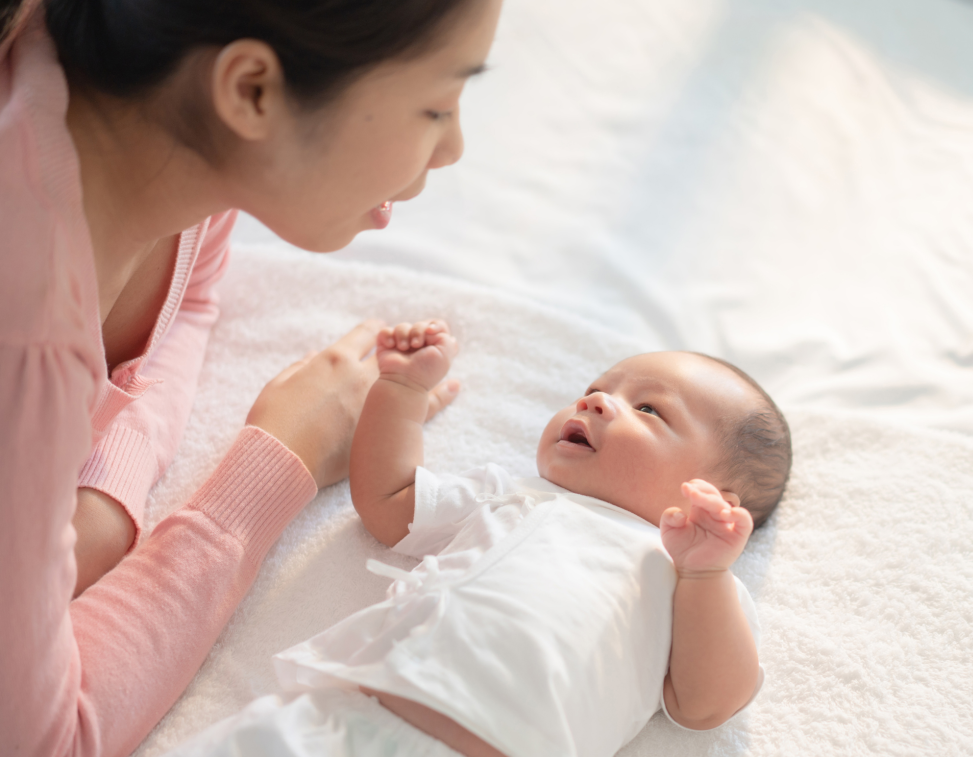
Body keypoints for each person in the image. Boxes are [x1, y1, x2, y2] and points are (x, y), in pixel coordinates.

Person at [0, 0, 503, 753]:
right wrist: (275, 459)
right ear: (252, 91)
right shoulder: (28, 328)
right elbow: (42, 737)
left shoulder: (147, 130)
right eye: (436, 105)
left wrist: (97, 511)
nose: (454, 148)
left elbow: (188, 302)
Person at [168, 320, 792, 757]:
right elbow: (390, 506)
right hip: (340, 722)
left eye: (650, 410)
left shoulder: (691, 577)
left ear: (714, 502)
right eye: (597, 390)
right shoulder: (513, 492)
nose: (599, 401)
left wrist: (707, 573)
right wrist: (402, 394)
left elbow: (705, 706)